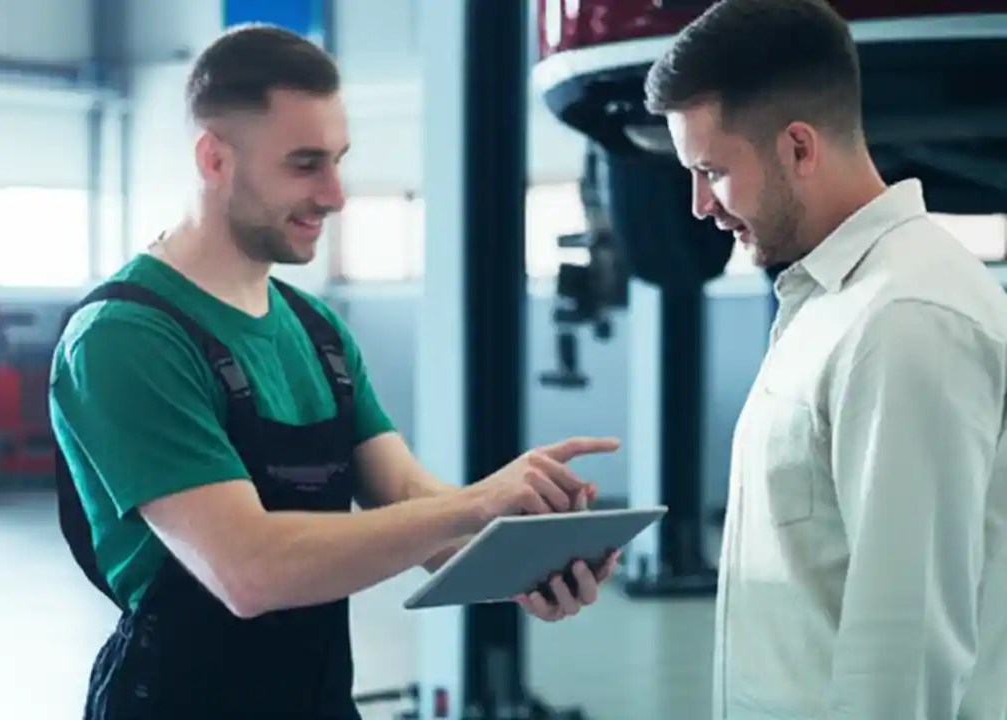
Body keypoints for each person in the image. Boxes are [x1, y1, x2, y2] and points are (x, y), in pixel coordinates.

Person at [49, 23, 622, 719]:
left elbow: (406, 494)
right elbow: (247, 569)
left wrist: (528, 557)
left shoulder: (316, 329)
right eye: (305, 164)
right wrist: (478, 502)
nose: (335, 195)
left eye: (338, 161)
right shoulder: (127, 336)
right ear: (214, 158)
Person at [644, 0, 1007, 717]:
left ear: (799, 149)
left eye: (712, 170)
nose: (698, 205)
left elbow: (902, 650)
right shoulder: (830, 303)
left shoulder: (906, 317)